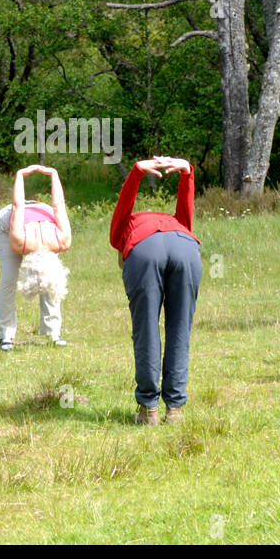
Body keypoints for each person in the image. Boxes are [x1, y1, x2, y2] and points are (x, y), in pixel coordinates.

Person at [110, 155, 202, 425]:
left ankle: (148, 409)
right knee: (179, 329)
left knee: (147, 328)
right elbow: (186, 210)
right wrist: (187, 173)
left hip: (144, 250)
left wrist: (136, 173)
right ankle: (174, 411)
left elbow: (123, 207)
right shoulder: (178, 222)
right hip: (186, 247)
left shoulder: (126, 228)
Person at [0, 165, 71, 350]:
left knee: (51, 284)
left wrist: (54, 174)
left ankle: (53, 333)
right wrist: (19, 174)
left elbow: (58, 205)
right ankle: (6, 336)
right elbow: (17, 205)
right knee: (10, 278)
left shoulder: (61, 241)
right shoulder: (21, 241)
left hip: (39, 216)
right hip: (6, 226)